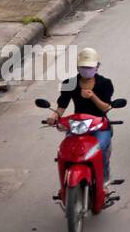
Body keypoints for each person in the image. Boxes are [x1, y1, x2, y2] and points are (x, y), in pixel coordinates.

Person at [48, 48, 117, 182]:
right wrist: (54, 116)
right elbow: (62, 105)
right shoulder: (69, 83)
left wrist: (93, 97)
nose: (86, 69)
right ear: (78, 67)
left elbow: (106, 107)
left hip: (99, 125)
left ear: (97, 67)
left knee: (100, 149)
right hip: (78, 125)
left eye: (90, 67)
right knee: (65, 152)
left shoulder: (105, 83)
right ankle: (66, 182)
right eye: (83, 67)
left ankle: (104, 180)